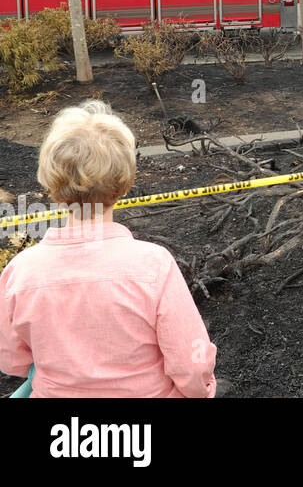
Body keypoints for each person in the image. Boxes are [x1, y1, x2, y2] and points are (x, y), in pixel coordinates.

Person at [0, 101, 217, 397]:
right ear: (124, 184)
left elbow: (12, 359)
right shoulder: (155, 266)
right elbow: (191, 365)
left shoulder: (18, 273)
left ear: (49, 183)